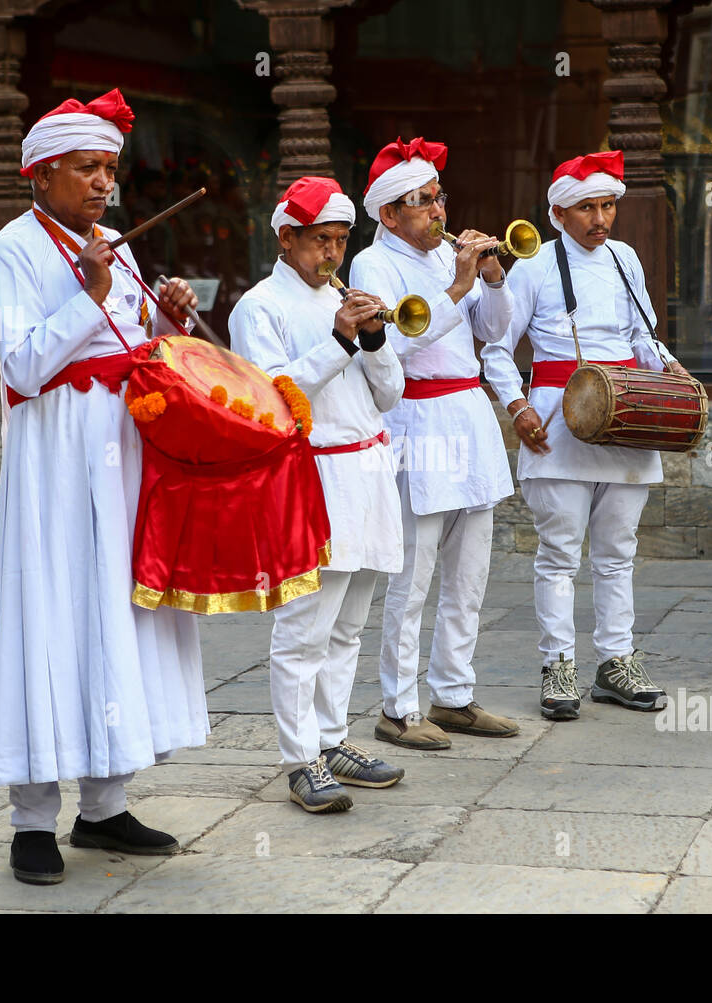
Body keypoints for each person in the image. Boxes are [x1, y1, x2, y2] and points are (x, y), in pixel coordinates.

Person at [0, 89, 209, 884]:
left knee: (119, 615)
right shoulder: (7, 252)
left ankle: (105, 805)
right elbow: (27, 365)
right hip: (53, 472)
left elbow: (136, 347)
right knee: (54, 617)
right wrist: (92, 294)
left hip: (121, 457)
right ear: (40, 175)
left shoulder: (117, 246)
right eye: (85, 168)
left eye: (109, 167)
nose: (103, 183)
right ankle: (30, 821)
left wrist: (167, 316)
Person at [482, 150, 693, 722]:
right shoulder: (532, 265)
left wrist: (668, 367)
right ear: (557, 212)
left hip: (626, 412)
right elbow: (499, 350)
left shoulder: (624, 257)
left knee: (618, 553)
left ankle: (616, 662)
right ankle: (558, 667)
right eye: (586, 208)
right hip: (559, 418)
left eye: (607, 206)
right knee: (557, 554)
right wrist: (518, 407)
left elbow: (643, 334)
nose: (600, 218)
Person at [229, 176, 407, 813]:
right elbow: (273, 401)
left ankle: (334, 741)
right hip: (313, 476)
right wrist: (336, 339)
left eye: (340, 240)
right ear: (286, 239)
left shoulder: (345, 298)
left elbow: (388, 396)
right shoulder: (258, 308)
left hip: (368, 471)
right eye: (320, 242)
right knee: (304, 629)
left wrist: (377, 341)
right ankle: (299, 758)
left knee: (349, 626)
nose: (332, 254)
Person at [348, 137, 520, 751]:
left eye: (439, 198)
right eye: (423, 202)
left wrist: (493, 284)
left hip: (468, 412)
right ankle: (397, 707)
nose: (438, 212)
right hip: (417, 420)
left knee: (470, 574)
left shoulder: (452, 257)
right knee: (413, 575)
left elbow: (495, 333)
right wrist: (459, 285)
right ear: (389, 213)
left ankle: (454, 695)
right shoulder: (374, 264)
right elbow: (395, 347)